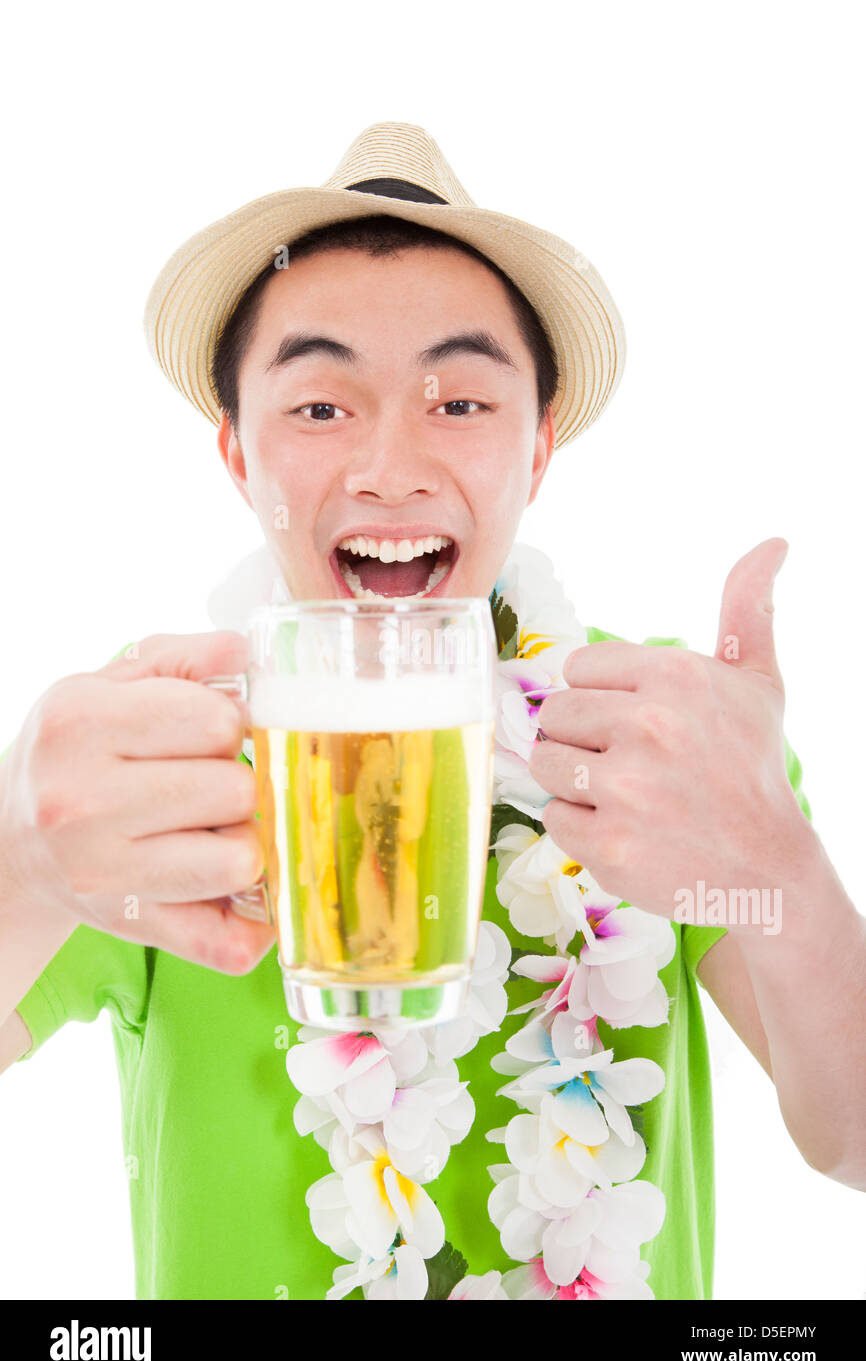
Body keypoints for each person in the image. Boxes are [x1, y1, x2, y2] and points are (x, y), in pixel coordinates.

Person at [0, 122, 863, 1301]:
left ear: (539, 448)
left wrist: (781, 864)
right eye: (318, 407)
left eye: (459, 403)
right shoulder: (158, 744)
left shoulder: (660, 732)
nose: (391, 467)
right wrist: (20, 860)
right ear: (238, 457)